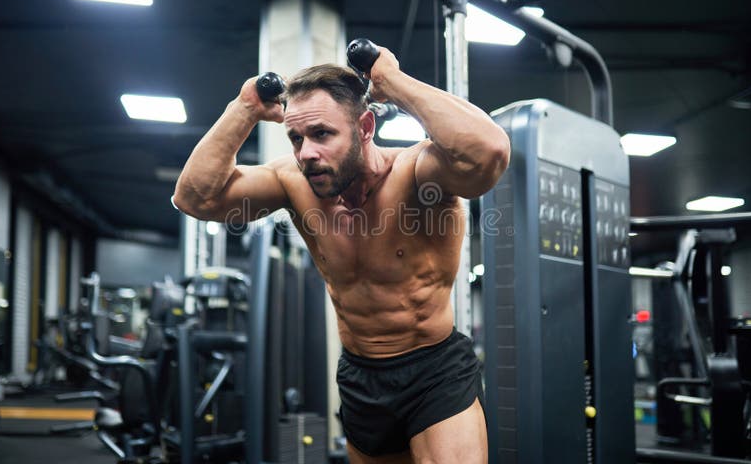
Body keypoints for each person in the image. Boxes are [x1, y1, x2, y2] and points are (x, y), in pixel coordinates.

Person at [173, 45, 510, 463]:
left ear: (365, 127)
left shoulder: (417, 173)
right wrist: (244, 109)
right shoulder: (293, 183)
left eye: (322, 134)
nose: (306, 153)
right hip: (360, 377)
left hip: (434, 371)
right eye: (296, 138)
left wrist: (392, 82)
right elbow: (195, 198)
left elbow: (490, 152)